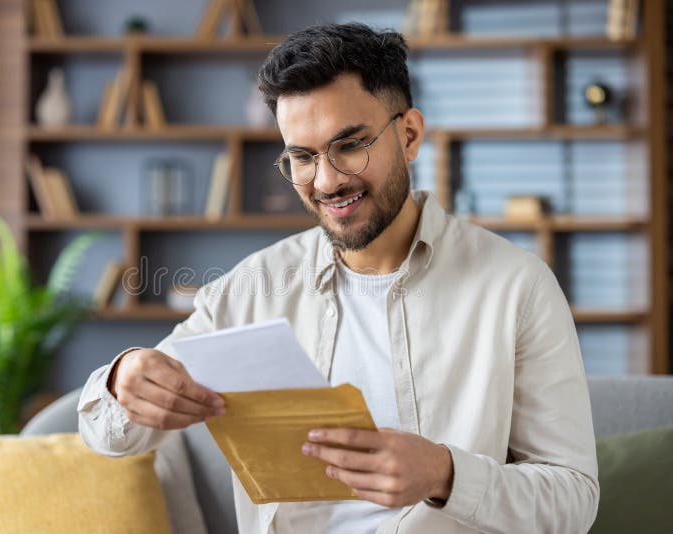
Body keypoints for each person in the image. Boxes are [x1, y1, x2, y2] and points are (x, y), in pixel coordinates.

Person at [78, 23, 599, 533]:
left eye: (350, 145)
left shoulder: (517, 287)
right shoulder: (248, 290)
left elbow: (574, 501)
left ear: (410, 135)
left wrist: (444, 474)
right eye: (302, 157)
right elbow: (107, 435)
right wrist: (124, 379)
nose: (327, 181)